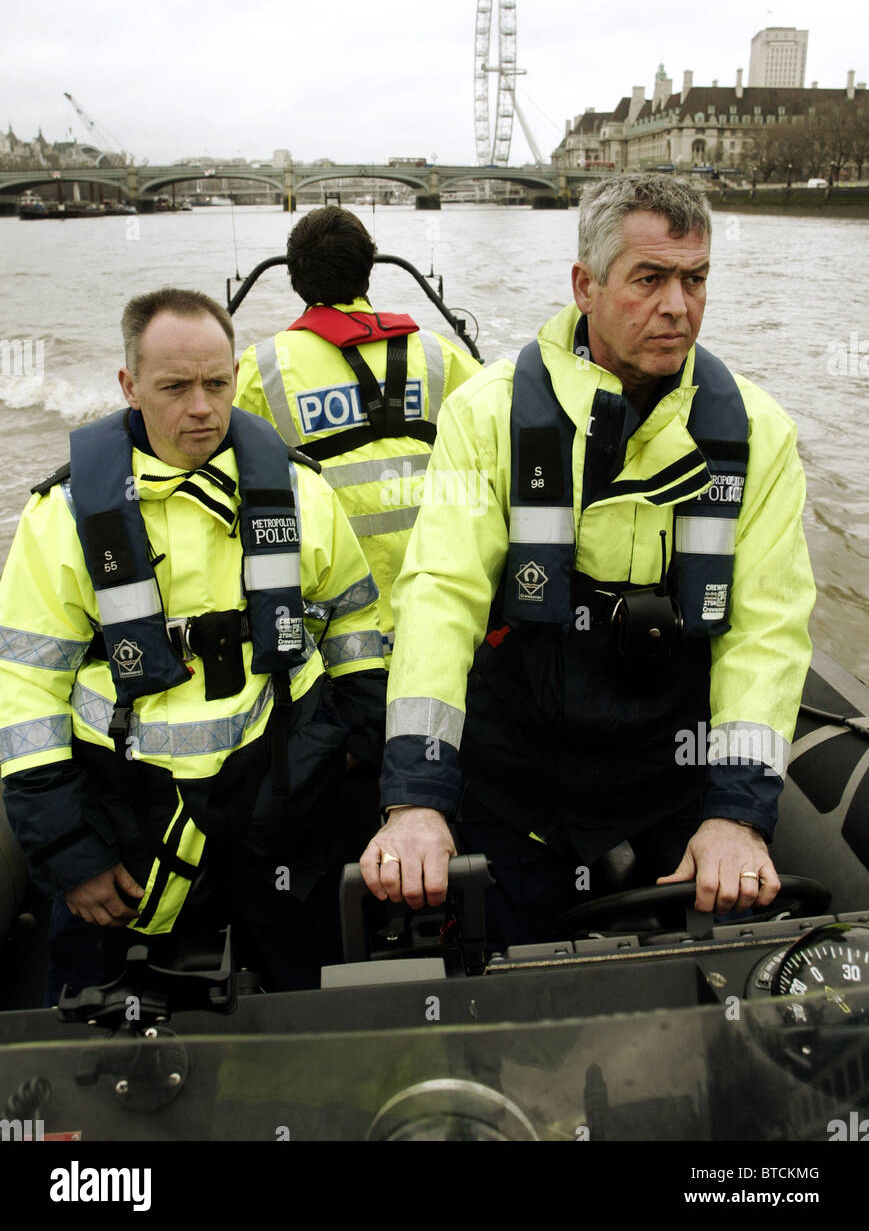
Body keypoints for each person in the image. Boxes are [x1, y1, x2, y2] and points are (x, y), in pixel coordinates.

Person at [360, 174, 815, 949]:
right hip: (514, 774)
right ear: (585, 285)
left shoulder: (759, 434)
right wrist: (417, 798)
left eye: (694, 279)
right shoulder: (489, 413)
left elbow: (765, 630)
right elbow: (441, 597)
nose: (677, 306)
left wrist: (736, 813)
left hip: (670, 770)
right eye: (649, 279)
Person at [0, 288, 385, 999]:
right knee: (93, 1017)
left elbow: (354, 620)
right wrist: (65, 849)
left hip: (280, 796)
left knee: (312, 996)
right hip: (122, 813)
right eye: (175, 387)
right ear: (128, 386)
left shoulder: (300, 493)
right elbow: (24, 690)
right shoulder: (60, 520)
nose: (202, 407)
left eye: (216, 383)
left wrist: (352, 736)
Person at [234, 206, 481, 662]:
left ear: (295, 279)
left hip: (332, 623)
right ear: (368, 270)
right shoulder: (436, 354)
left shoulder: (261, 369)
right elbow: (496, 436)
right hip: (435, 609)